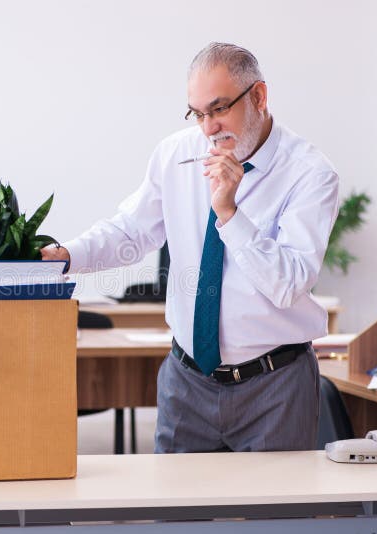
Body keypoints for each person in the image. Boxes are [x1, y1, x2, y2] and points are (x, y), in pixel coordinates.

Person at [43, 42, 339, 452]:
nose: (208, 128)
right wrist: (64, 256)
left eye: (219, 109)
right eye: (198, 113)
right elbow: (130, 231)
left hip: (275, 386)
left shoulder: (309, 174)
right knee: (175, 515)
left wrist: (230, 214)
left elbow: (288, 284)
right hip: (187, 383)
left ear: (258, 96)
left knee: (275, 516)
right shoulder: (176, 154)